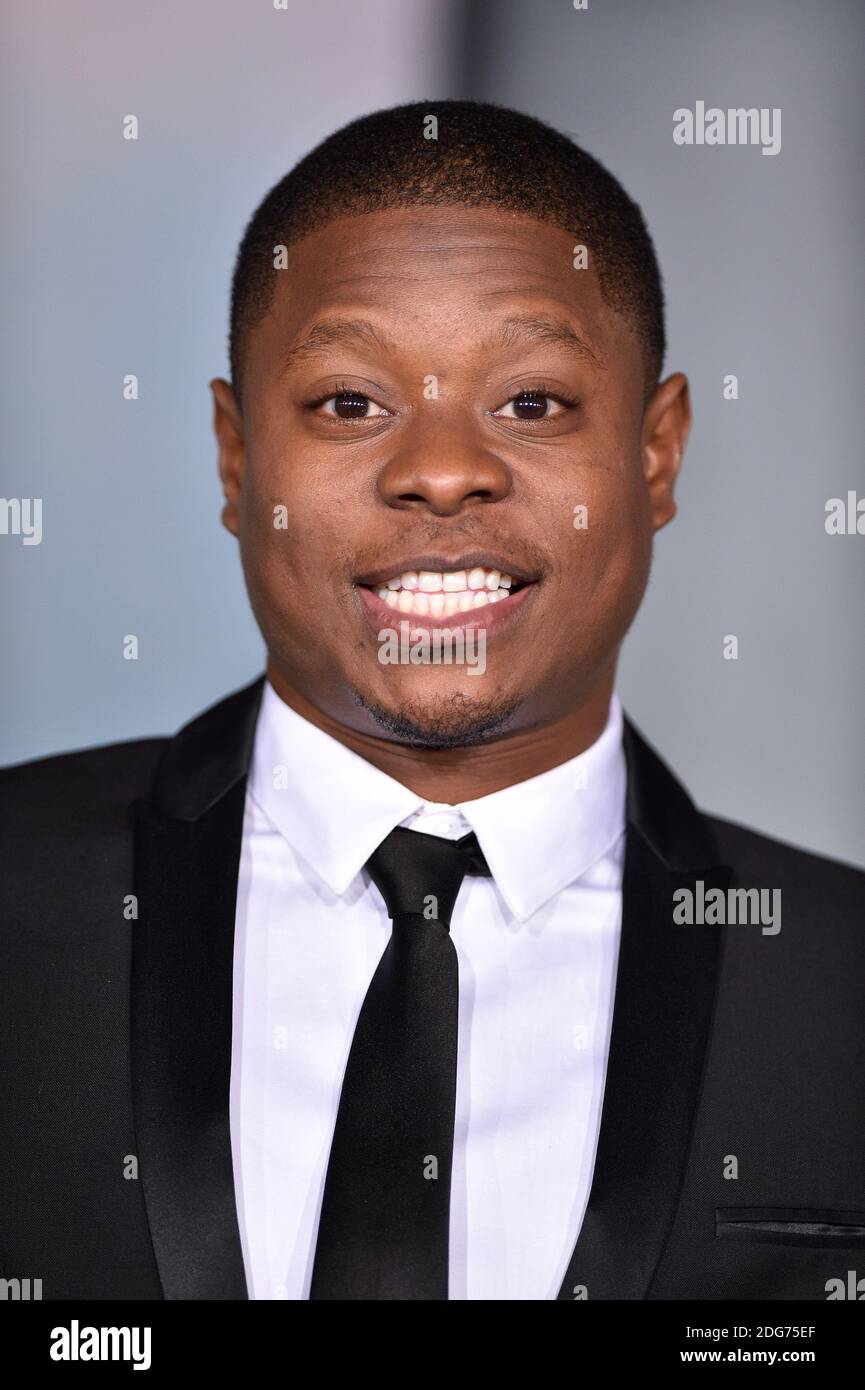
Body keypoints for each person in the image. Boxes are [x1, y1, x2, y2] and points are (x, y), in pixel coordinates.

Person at [2, 101, 863, 1302]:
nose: (442, 469)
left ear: (655, 454)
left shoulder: (839, 977)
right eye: (351, 402)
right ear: (236, 456)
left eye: (533, 402)